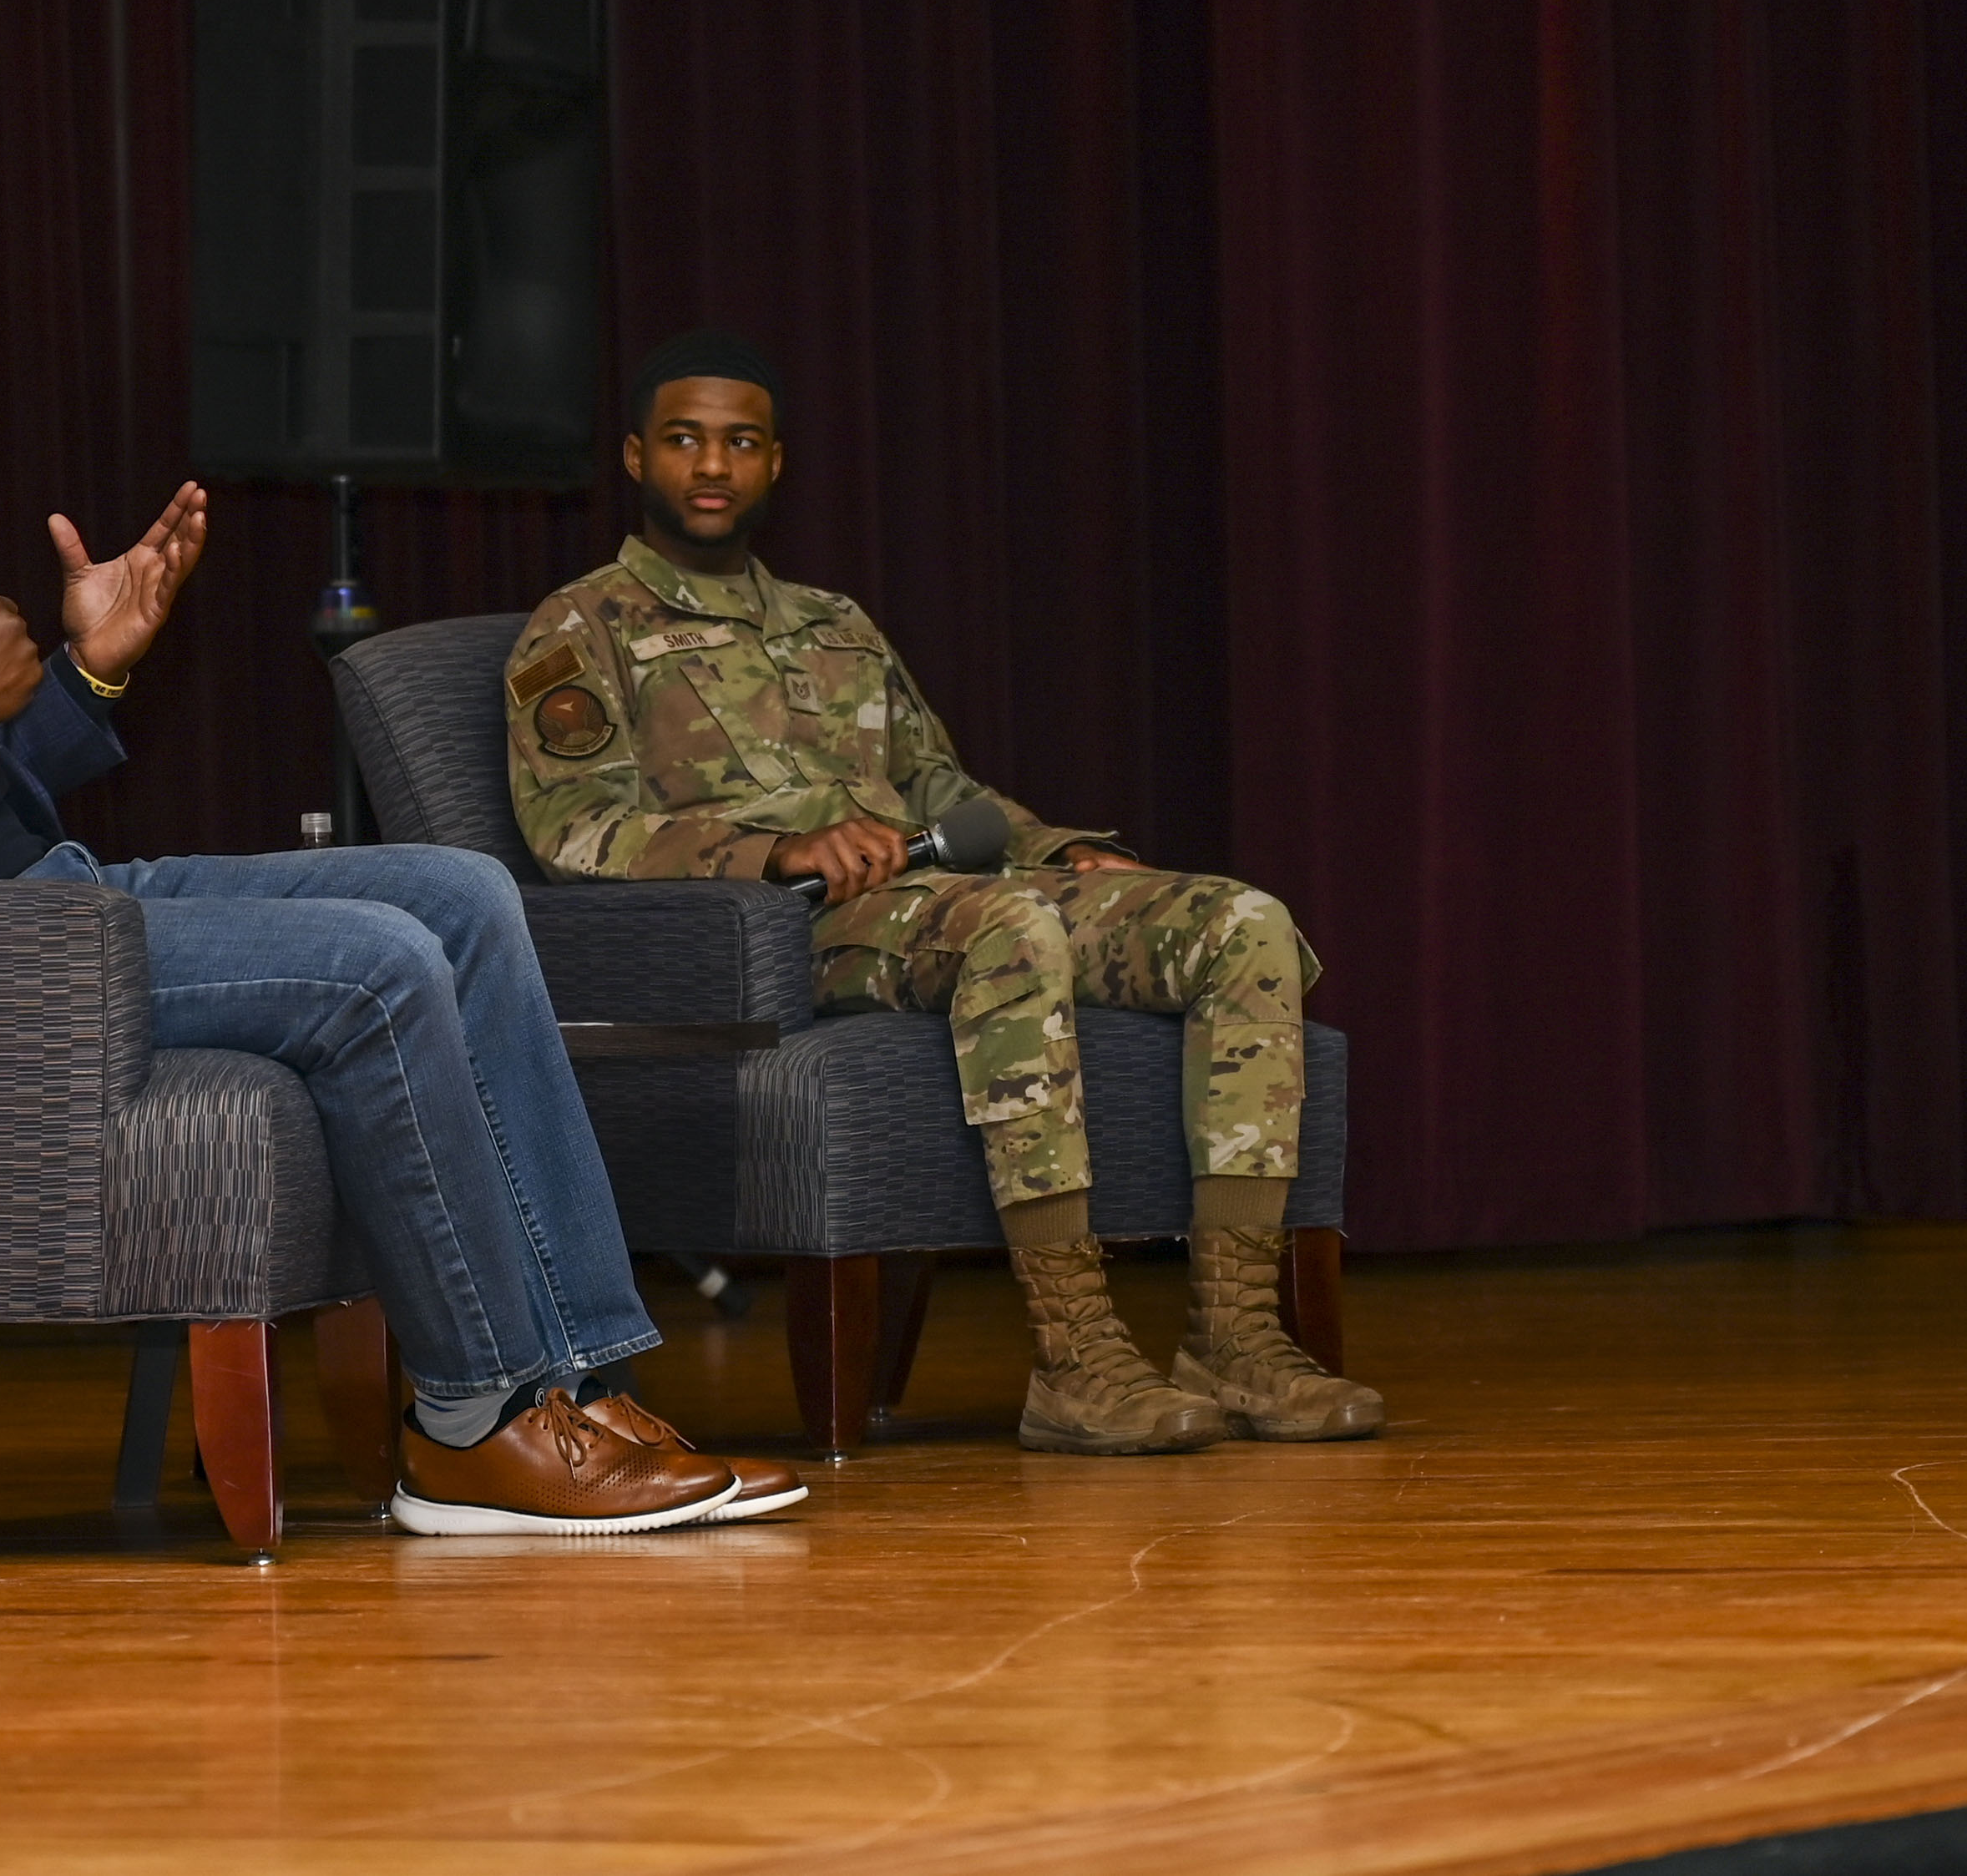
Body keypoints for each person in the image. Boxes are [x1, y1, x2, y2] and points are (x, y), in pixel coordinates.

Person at [0, 220, 799, 1536]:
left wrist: (85, 674)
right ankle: (478, 1422)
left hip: (30, 904)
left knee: (457, 895)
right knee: (379, 959)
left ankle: (582, 1379)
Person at [508, 331, 1383, 1456]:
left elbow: (940, 788)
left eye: (740, 443)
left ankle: (1236, 1338)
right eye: (685, 441)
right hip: (789, 935)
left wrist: (1064, 850)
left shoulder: (837, 624)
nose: (713, 466)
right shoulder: (578, 631)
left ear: (777, 464)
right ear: (635, 459)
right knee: (1010, 925)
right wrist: (774, 854)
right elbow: (575, 832)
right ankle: (1076, 1357)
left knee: (1237, 922)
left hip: (939, 900)